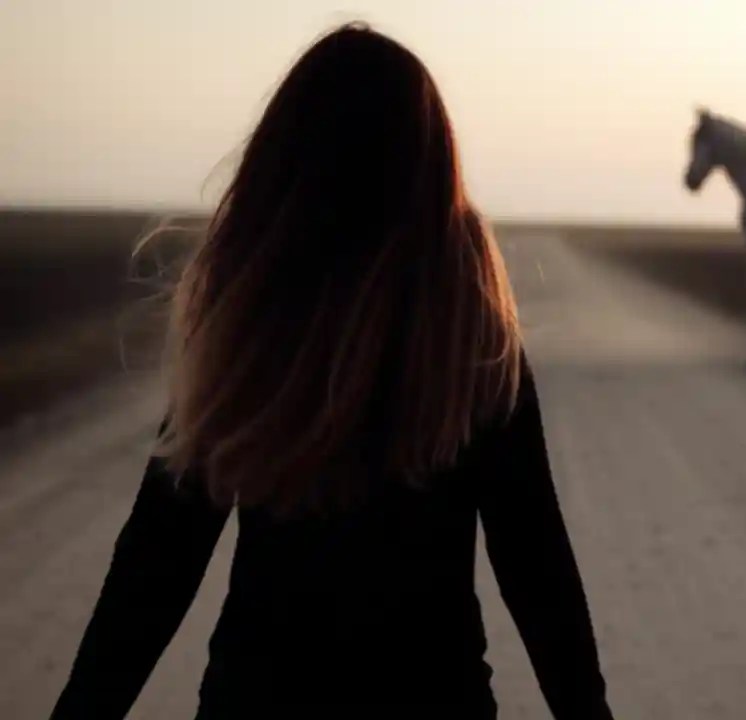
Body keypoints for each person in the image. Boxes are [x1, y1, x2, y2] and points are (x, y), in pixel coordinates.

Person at [50, 22, 613, 720]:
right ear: (432, 170)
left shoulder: (251, 336)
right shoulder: (470, 342)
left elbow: (157, 563)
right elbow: (536, 566)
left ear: (280, 170)